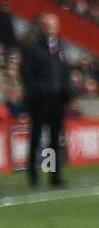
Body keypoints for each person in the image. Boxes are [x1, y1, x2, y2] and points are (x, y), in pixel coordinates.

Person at [20, 13, 74, 188]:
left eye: (53, 24)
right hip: (40, 100)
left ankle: (54, 175)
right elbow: (26, 74)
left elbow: (65, 73)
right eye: (47, 25)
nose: (50, 28)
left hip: (57, 99)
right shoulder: (34, 48)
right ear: (42, 27)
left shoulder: (61, 47)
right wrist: (34, 94)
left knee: (54, 139)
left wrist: (68, 93)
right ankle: (33, 175)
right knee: (36, 137)